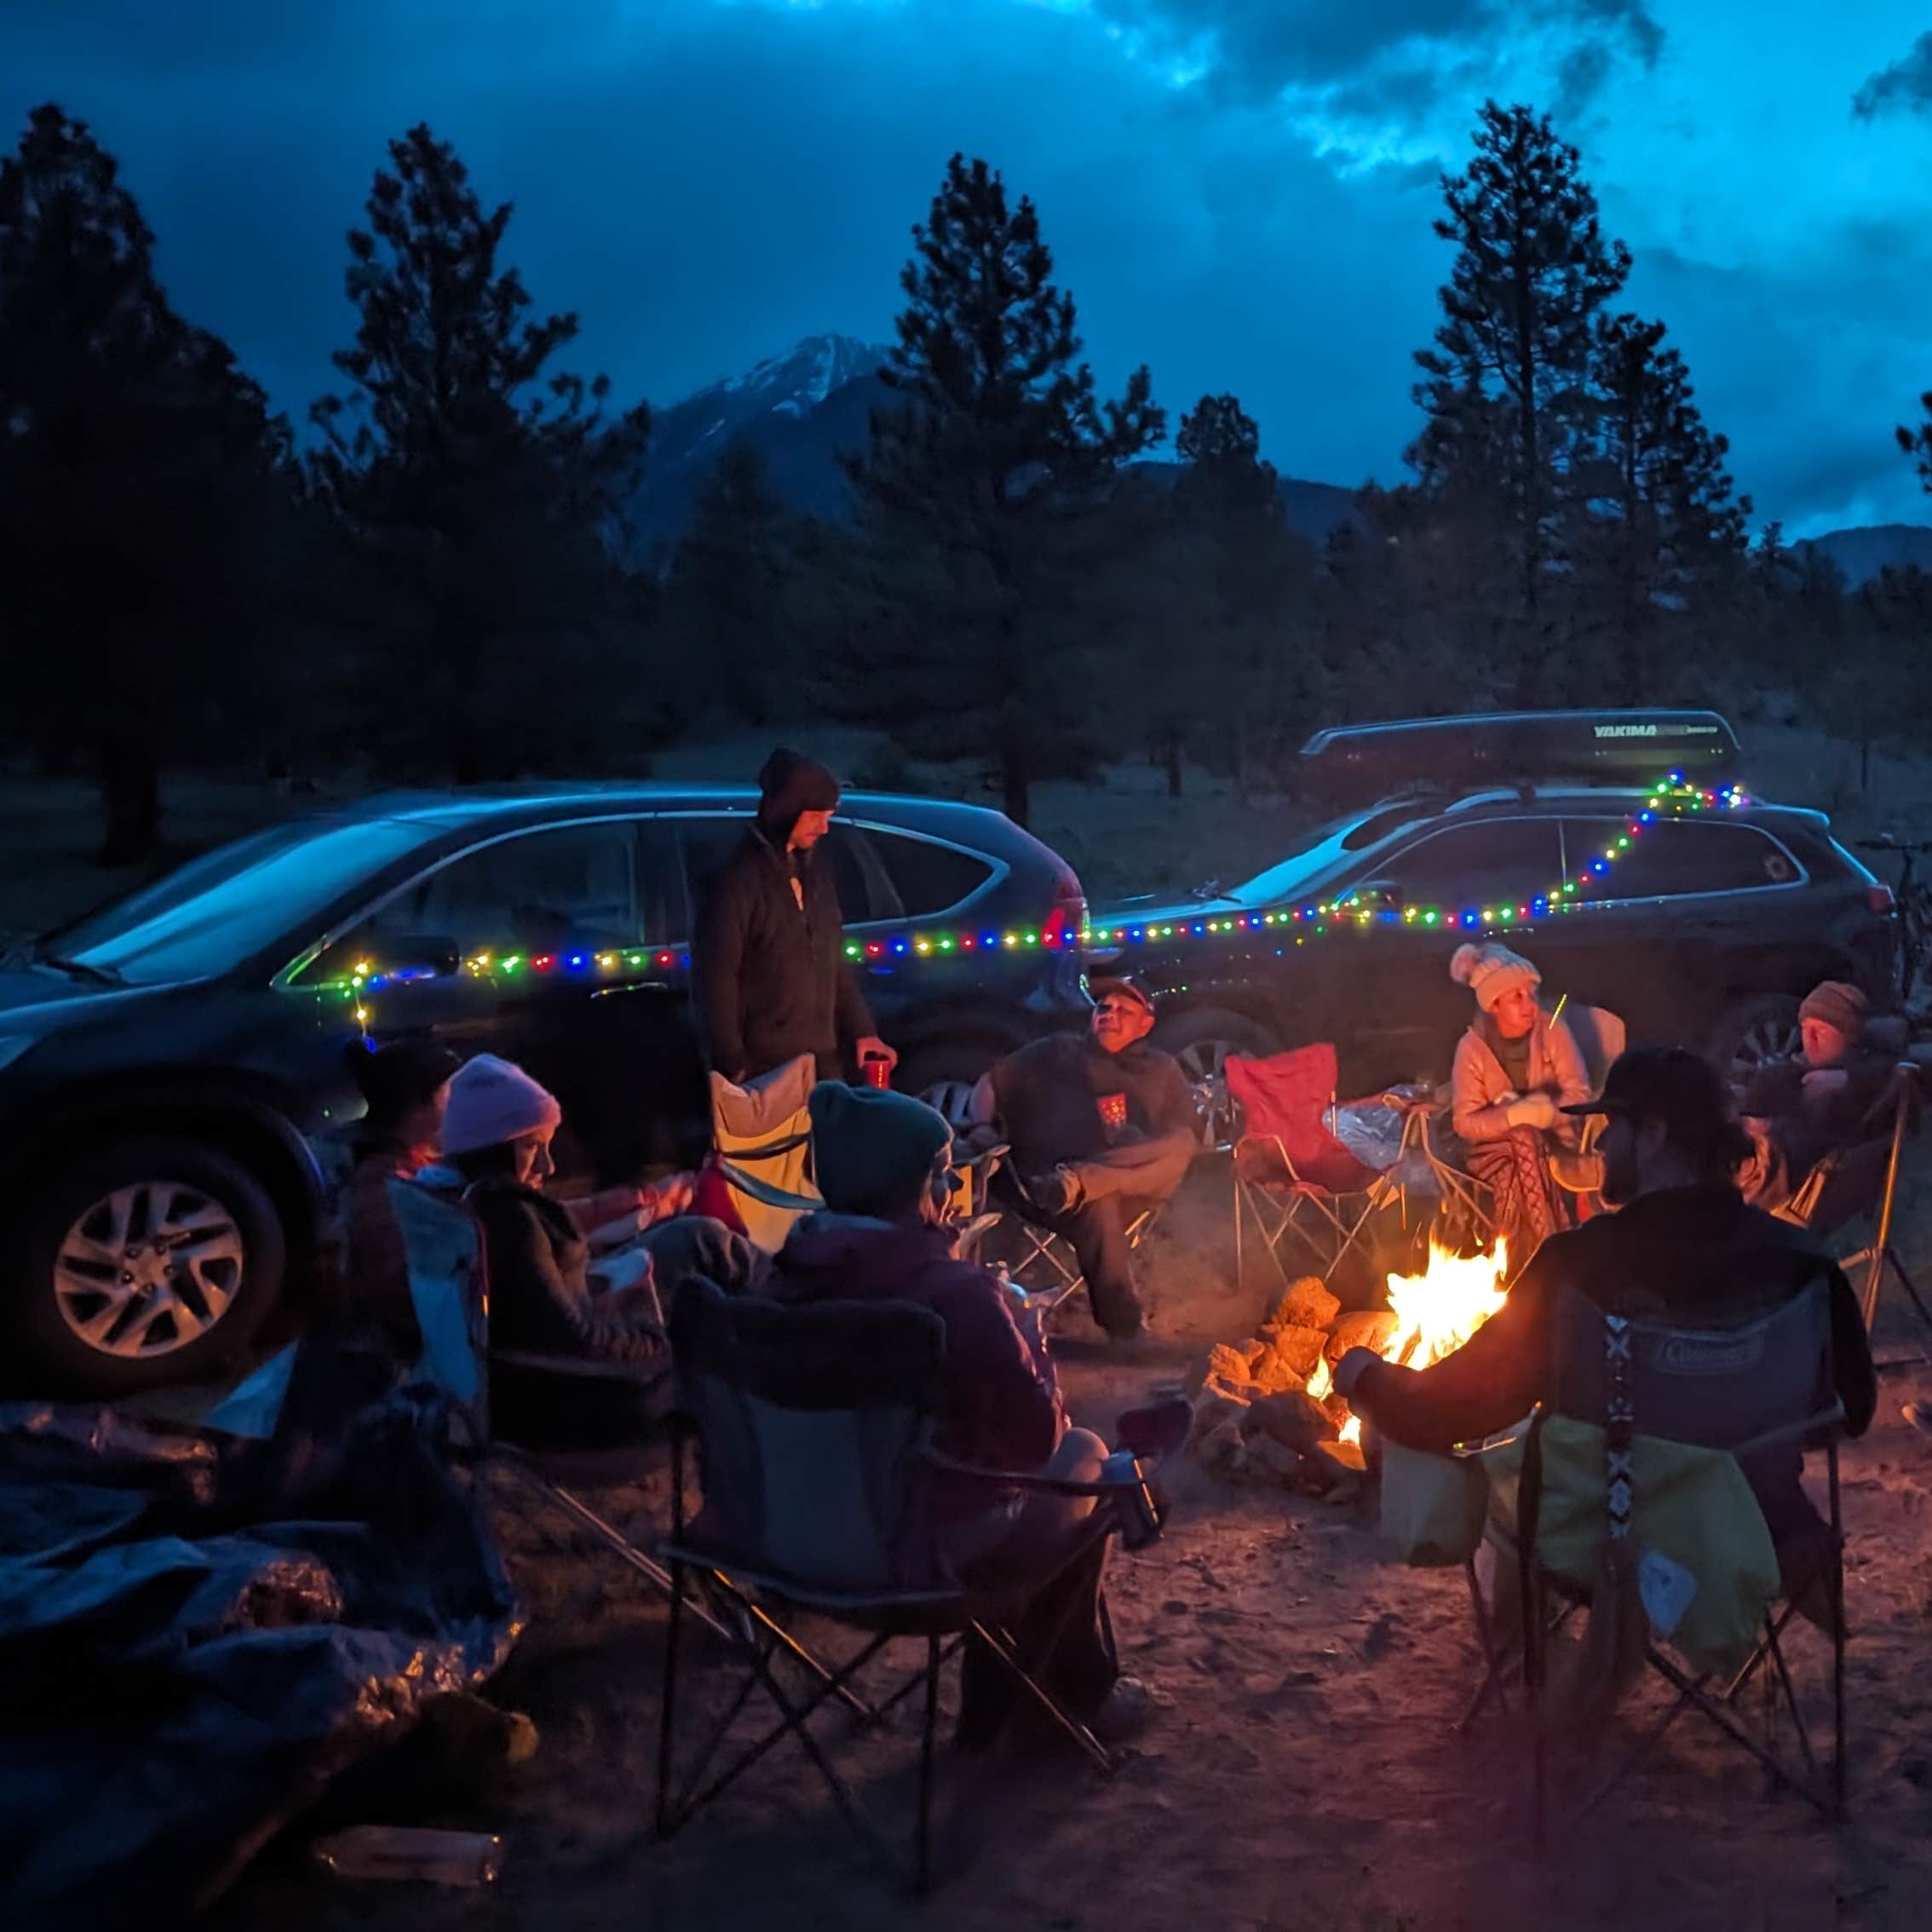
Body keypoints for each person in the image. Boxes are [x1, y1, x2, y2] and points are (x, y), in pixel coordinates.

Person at [1338, 1046, 1877, 1584]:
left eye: (1611, 1125)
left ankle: (1528, 1665)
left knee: (1507, 1474)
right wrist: (1724, 1439)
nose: (1597, 1143)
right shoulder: (1803, 1265)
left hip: (1611, 1541)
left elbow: (1463, 1408)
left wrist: (1367, 1379)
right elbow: (1851, 1409)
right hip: (1755, 1530)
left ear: (1654, 1135)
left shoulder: (1576, 1268)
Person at [769, 1079, 1147, 1745]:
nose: (950, 1191)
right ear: (921, 1187)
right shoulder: (952, 1298)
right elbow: (1033, 1442)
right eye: (942, 1175)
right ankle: (1072, 1701)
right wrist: (1024, 1332)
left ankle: (1001, 1706)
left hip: (783, 1544)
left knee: (1031, 1480)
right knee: (1086, 1460)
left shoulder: (773, 1286)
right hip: (912, 1561)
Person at [419, 1055, 757, 1368]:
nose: (547, 1166)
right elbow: (569, 1337)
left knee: (696, 1236)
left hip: (587, 1292)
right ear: (490, 1150)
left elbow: (560, 1241)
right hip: (596, 1352)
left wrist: (650, 1201)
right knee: (706, 1242)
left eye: (547, 1147)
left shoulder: (451, 1198)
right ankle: (787, 1316)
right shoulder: (506, 1215)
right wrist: (654, 1338)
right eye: (532, 1147)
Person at [969, 974, 1194, 1342]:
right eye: (1104, 1007)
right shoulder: (1057, 1051)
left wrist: (1130, 1151)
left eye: (1124, 1009)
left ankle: (1085, 1178)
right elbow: (988, 1084)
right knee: (1099, 1202)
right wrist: (980, 1124)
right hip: (1048, 1188)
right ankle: (1126, 1330)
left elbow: (1182, 1138)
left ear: (1146, 1024)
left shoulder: (1162, 1069)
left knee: (1182, 1143)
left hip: (1135, 1188)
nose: (1110, 1013)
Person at [691, 746, 895, 1088]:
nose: (824, 828)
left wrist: (864, 1032)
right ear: (788, 810)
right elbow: (716, 979)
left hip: (822, 1061)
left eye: (828, 816)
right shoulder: (736, 881)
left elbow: (833, 960)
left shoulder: (816, 875)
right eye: (816, 815)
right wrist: (732, 1063)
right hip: (765, 1068)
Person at [314, 1038, 463, 1359]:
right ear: (417, 1107)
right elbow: (403, 1296)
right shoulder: (385, 1186)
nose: (462, 1105)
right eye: (451, 1094)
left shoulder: (417, 1166)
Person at [1447, 941, 1590, 1261]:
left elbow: (1579, 1094)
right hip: (1490, 1154)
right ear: (1494, 1004)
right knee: (1523, 1137)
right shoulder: (1472, 1048)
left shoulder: (1551, 1029)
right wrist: (1512, 1117)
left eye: (1531, 994)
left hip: (1556, 1142)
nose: (1530, 1005)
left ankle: (1523, 1260)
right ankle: (1556, 1253)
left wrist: (1544, 1114)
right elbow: (1464, 1121)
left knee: (1525, 1145)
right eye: (1517, 997)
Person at [1739, 980, 1899, 1212]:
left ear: (1849, 1036)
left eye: (1822, 1030)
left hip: (1804, 1190)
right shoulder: (1779, 1076)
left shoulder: (1868, 1075)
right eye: (1805, 1028)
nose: (1810, 1038)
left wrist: (1847, 1079)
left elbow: (1901, 1075)